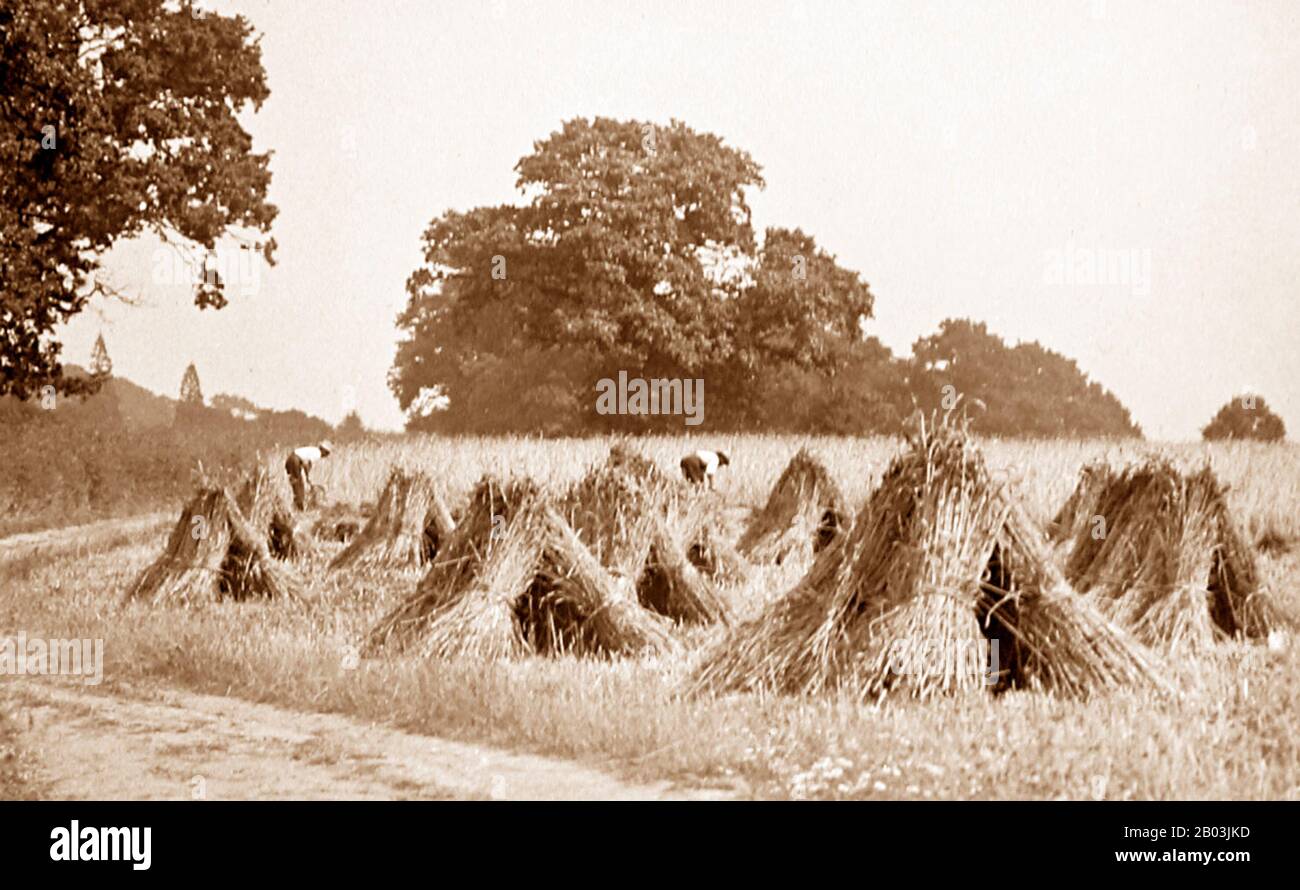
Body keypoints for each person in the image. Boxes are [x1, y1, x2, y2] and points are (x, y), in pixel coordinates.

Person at [285, 439, 333, 510]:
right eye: (327, 454)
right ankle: (299, 507)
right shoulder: (318, 453)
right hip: (295, 460)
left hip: (290, 459)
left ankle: (296, 505)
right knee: (299, 484)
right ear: (324, 451)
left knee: (295, 483)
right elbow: (306, 464)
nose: (325, 456)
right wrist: (307, 478)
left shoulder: (313, 450)